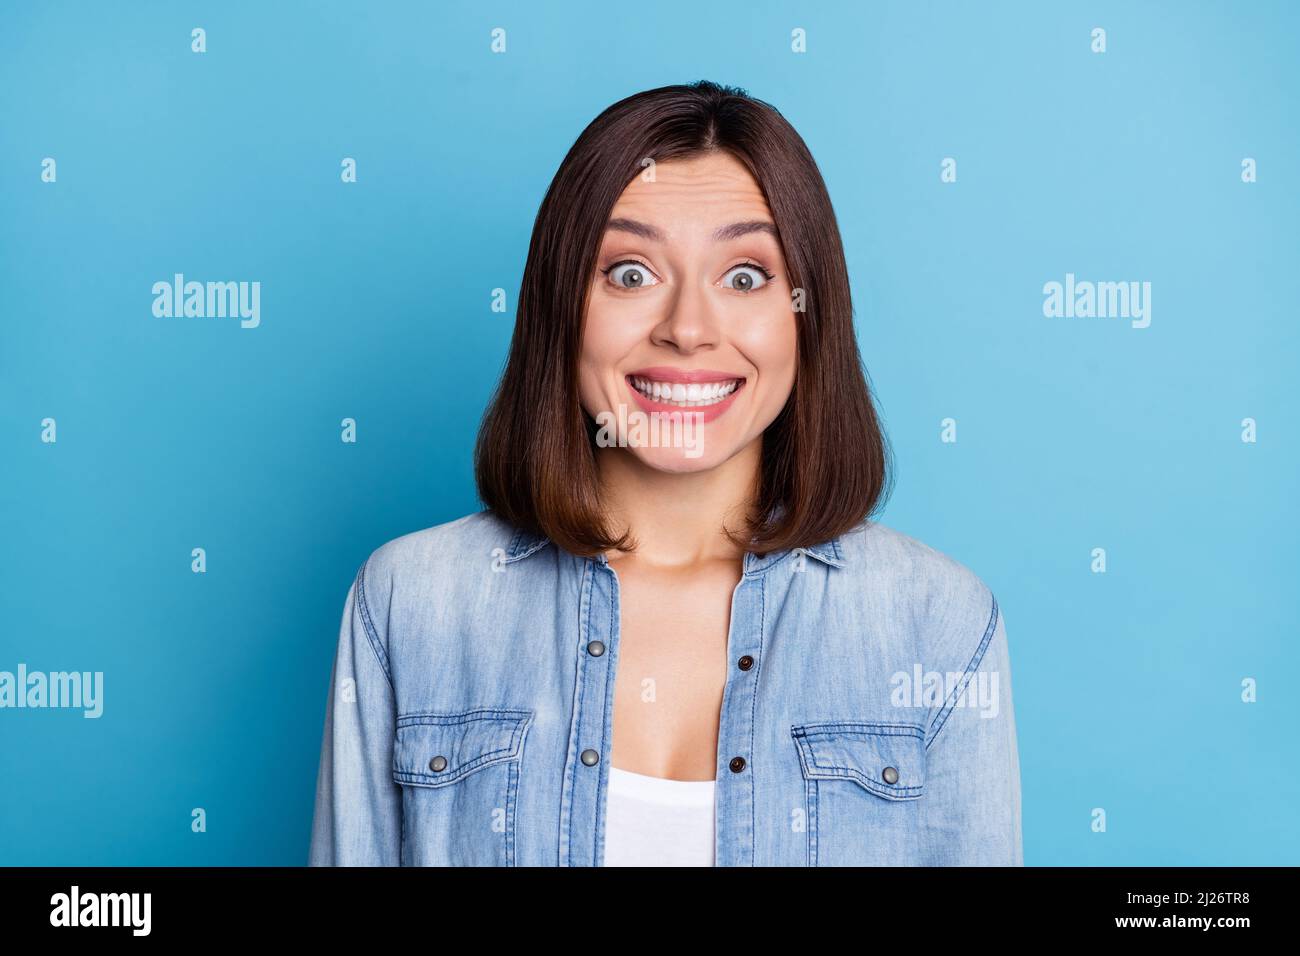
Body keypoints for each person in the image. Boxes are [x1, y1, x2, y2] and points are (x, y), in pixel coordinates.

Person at [309, 80, 1022, 867]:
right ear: (561, 305)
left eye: (745, 276)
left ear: (806, 314)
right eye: (631, 273)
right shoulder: (412, 604)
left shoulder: (941, 625)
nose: (686, 328)